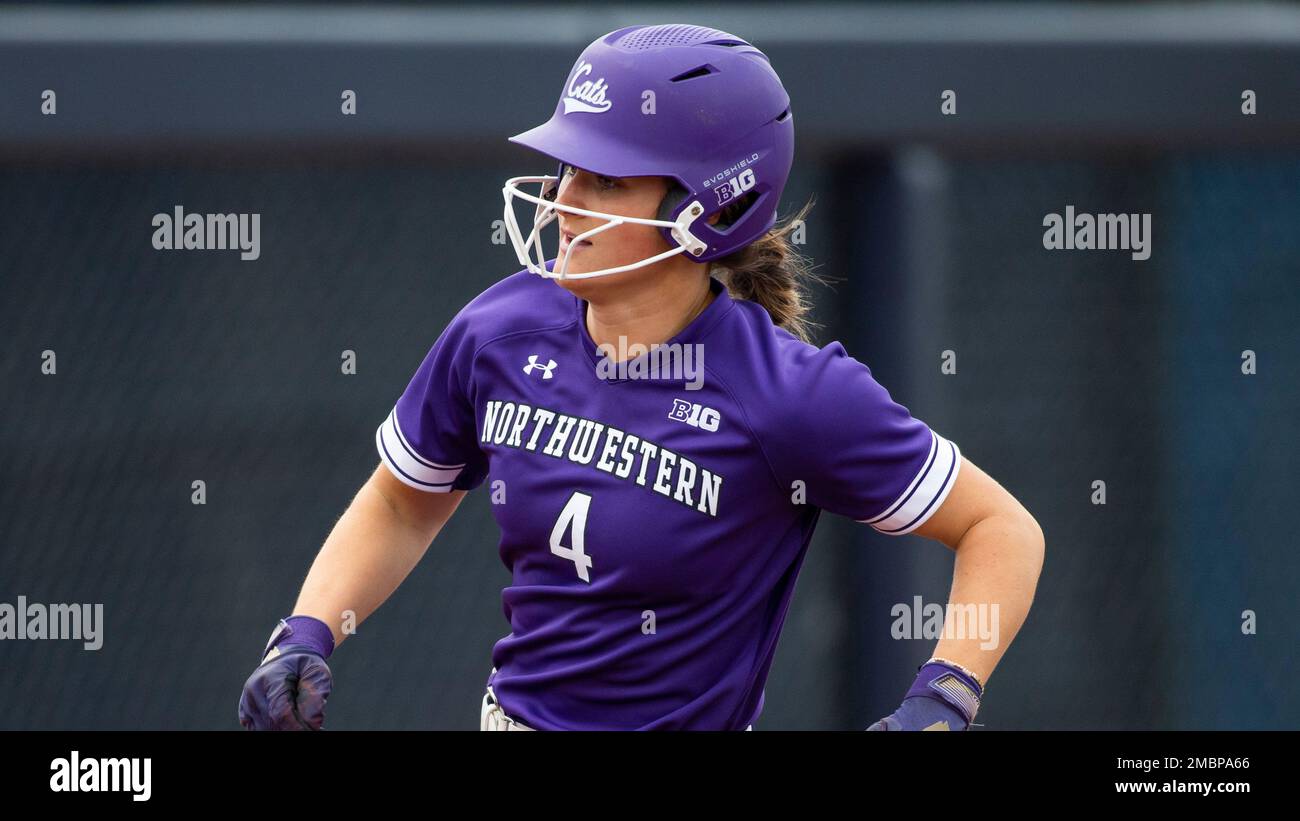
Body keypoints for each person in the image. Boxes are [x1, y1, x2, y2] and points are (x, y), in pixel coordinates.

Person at [239, 23, 1044, 732]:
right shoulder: (502, 330)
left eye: (607, 179)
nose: (565, 201)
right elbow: (402, 501)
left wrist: (944, 693)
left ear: (713, 209)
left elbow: (1001, 529)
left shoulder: (787, 393)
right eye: (566, 169)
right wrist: (308, 629)